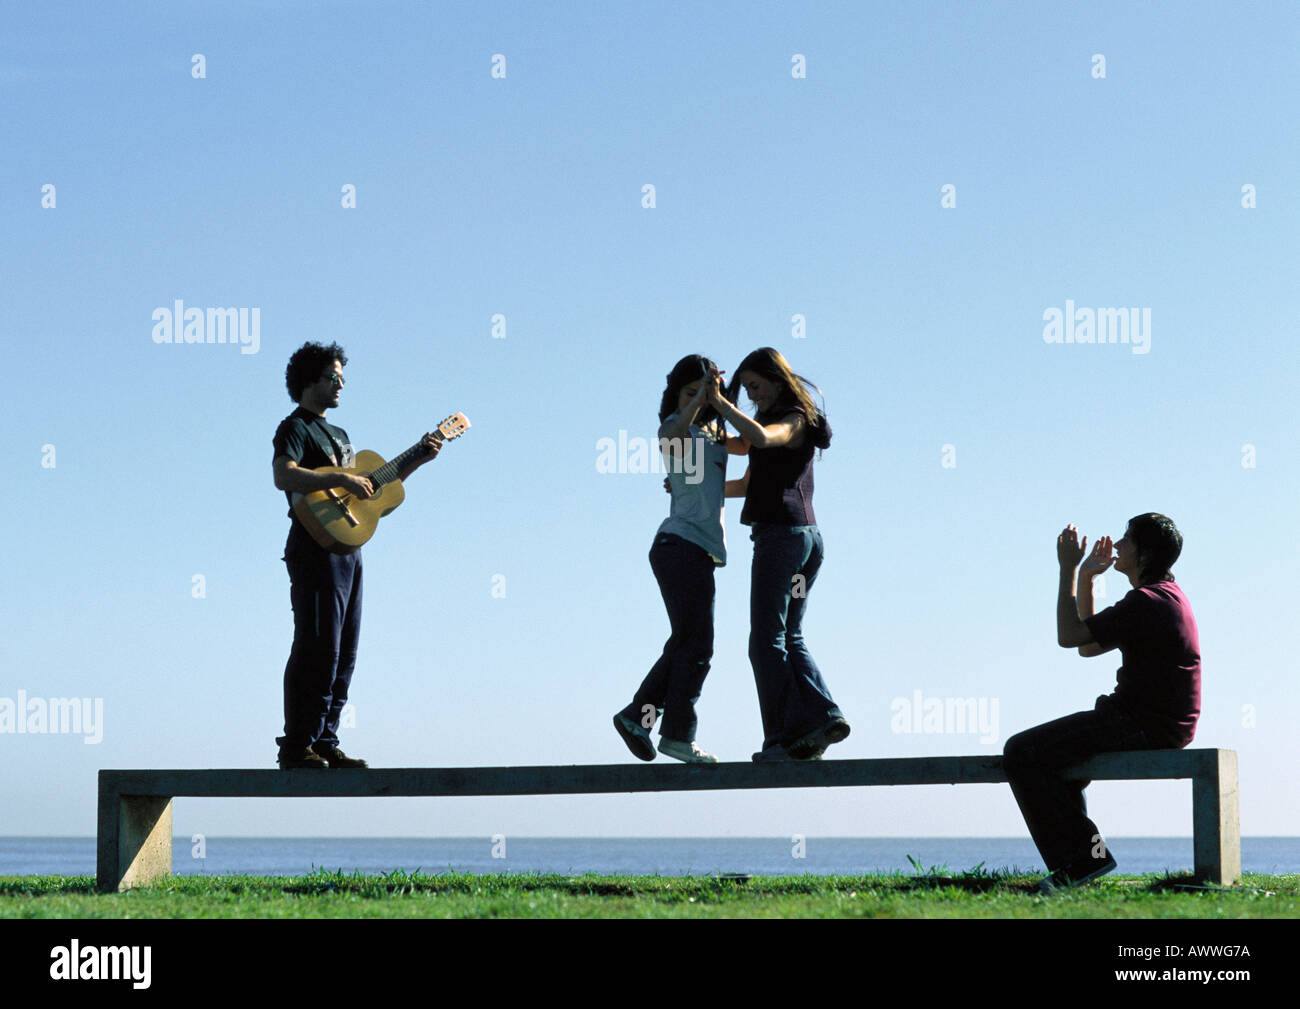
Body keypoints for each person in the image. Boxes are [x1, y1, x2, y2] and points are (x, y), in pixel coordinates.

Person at [1003, 514, 1201, 892]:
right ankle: (1082, 862)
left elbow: (1068, 636)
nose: (1119, 544)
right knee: (1054, 757)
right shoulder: (1161, 596)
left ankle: (1084, 861)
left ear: (1143, 553)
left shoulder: (1147, 600)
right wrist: (1088, 578)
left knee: (1022, 751)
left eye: (1127, 538)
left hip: (1143, 723)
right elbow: (1089, 647)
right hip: (1151, 719)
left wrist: (1066, 568)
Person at [271, 342, 440, 769]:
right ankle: (296, 746)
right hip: (313, 546)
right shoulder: (294, 428)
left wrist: (419, 457)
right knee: (316, 644)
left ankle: (325, 740)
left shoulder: (342, 437)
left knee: (345, 649)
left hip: (349, 551)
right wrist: (340, 474)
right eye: (333, 377)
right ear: (310, 381)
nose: (341, 384)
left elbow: (373, 491)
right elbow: (284, 475)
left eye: (343, 377)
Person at [705, 347, 848, 762]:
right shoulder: (768, 420)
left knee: (765, 642)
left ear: (776, 378)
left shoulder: (794, 419)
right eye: (746, 389)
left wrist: (720, 404)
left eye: (755, 386)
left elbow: (761, 438)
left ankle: (782, 741)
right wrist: (694, 485)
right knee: (789, 636)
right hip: (804, 541)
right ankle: (822, 718)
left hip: (783, 541)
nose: (752, 395)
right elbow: (746, 478)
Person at [614, 355, 742, 763]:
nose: (700, 399)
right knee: (698, 645)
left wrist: (719, 401)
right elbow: (670, 432)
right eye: (691, 392)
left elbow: (737, 470)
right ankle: (677, 736)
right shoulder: (679, 433)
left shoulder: (715, 436)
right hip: (679, 545)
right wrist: (696, 401)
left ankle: (638, 716)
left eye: (704, 392)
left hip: (699, 552)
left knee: (685, 643)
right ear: (677, 395)